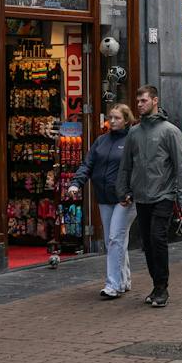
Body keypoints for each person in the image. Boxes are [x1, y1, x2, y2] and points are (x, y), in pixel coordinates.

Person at [116, 85, 182, 309]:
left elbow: (180, 166)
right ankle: (156, 284)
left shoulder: (170, 131)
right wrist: (123, 190)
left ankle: (162, 287)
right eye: (137, 101)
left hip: (164, 195)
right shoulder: (134, 132)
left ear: (155, 101)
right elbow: (126, 165)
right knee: (147, 243)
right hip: (142, 196)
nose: (139, 104)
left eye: (143, 101)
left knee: (158, 238)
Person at [67, 103, 134, 299]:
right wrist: (75, 183)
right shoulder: (101, 141)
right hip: (104, 198)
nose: (112, 121)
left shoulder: (131, 141)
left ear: (126, 120)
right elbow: (88, 164)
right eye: (110, 117)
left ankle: (113, 285)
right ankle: (125, 279)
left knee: (115, 239)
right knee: (113, 240)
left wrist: (130, 192)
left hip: (124, 199)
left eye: (117, 118)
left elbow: (137, 168)